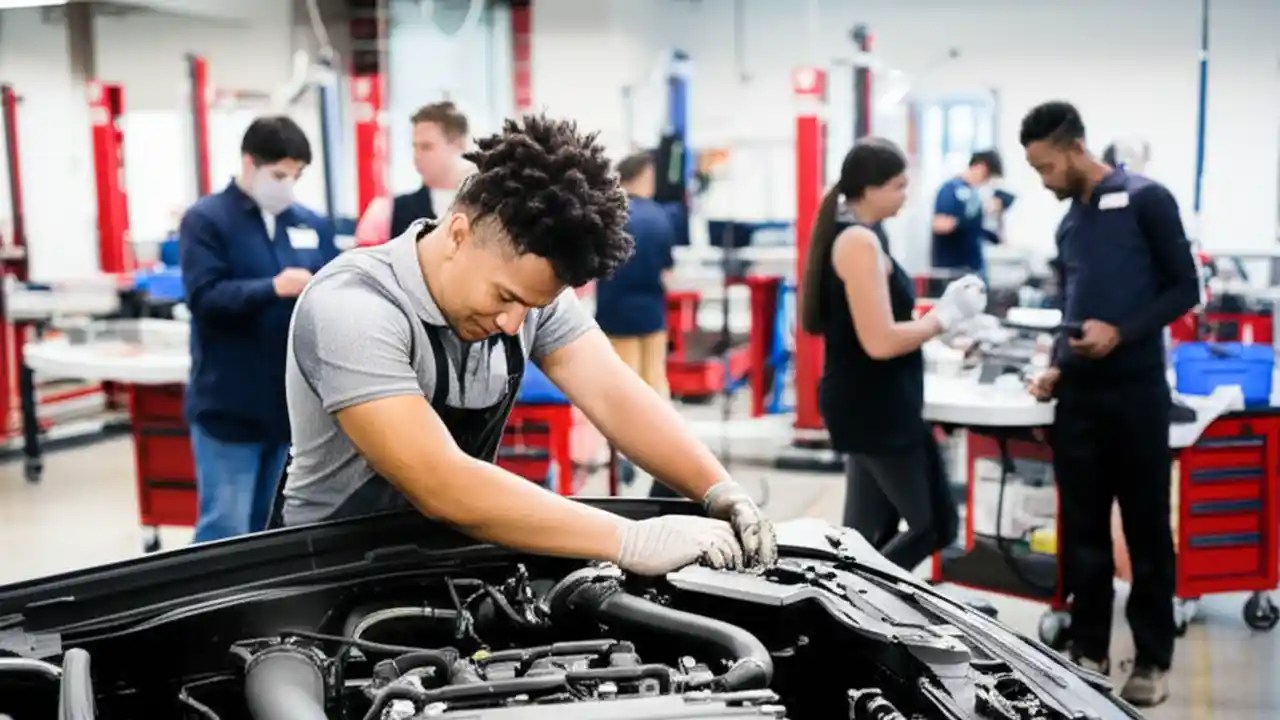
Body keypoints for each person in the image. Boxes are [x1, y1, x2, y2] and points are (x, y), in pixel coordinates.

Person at [278, 114, 776, 577]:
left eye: (531, 305)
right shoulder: (354, 308)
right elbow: (440, 483)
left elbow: (616, 395)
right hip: (319, 576)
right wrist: (630, 540)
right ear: (457, 234)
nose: (514, 322)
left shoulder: (528, 299)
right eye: (505, 297)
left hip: (441, 562)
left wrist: (717, 489)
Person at [1020, 100, 1199, 707]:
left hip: (1137, 394)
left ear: (1074, 148)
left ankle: (1152, 657)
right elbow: (1070, 309)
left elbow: (1185, 289)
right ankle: (1089, 651)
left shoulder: (1148, 200)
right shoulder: (1069, 222)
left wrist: (1121, 332)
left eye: (1046, 166)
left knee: (1147, 530)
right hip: (1081, 401)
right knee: (1083, 532)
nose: (1042, 180)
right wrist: (1055, 367)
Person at [800, 137, 985, 573]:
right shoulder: (858, 242)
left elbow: (883, 320)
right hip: (875, 405)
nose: (907, 195)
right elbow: (879, 341)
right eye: (899, 186)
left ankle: (846, 616)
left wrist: (945, 325)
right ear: (870, 188)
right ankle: (860, 607)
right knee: (934, 525)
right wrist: (942, 318)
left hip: (870, 400)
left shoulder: (864, 236)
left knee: (862, 538)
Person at [180, 116, 339, 542]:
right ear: (249, 164)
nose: (287, 185)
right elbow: (205, 298)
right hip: (229, 407)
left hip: (289, 409)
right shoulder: (207, 220)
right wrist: (272, 288)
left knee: (272, 535)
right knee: (225, 529)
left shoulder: (309, 224)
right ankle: (214, 608)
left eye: (296, 176)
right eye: (278, 174)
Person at [355, 101, 476, 247]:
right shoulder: (387, 213)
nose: (417, 156)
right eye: (415, 147)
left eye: (426, 147)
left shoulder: (489, 206)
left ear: (459, 145)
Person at [930, 150, 1006, 281]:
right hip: (953, 268)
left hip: (974, 267)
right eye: (988, 176)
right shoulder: (951, 189)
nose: (987, 181)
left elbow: (974, 227)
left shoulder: (976, 194)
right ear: (981, 168)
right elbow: (940, 224)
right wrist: (969, 220)